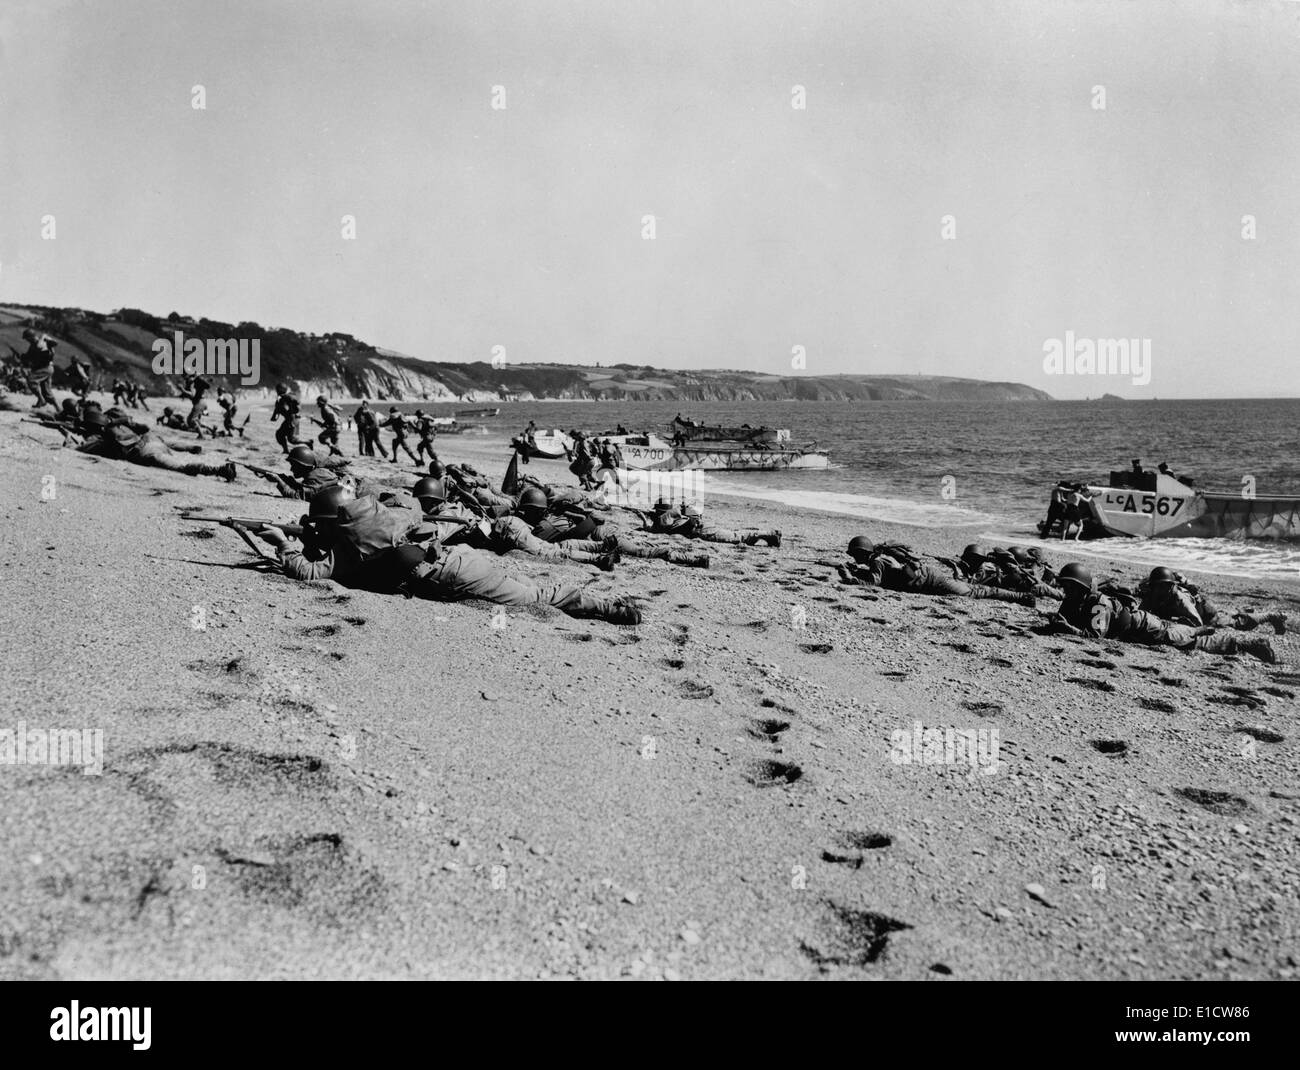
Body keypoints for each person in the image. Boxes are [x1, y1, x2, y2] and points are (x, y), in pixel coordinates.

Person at [255, 489, 641, 624]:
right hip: (456, 559)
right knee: (529, 588)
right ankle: (605, 598)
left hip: (452, 574)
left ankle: (609, 608)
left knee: (535, 597)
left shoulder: (347, 549)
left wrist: (280, 543)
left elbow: (306, 572)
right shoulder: (378, 516)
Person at [1049, 563, 1275, 662]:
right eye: (1065, 587)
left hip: (1150, 629)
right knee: (1186, 634)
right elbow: (1064, 620)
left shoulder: (1099, 604)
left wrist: (1068, 629)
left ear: (1082, 588)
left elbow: (1093, 636)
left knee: (1190, 640)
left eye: (1070, 587)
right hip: (1143, 626)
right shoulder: (1076, 600)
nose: (1066, 591)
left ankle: (1250, 645)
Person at [837, 536, 1035, 604]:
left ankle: (1022, 598)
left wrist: (849, 577)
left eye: (855, 555)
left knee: (976, 592)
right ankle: (1021, 596)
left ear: (862, 553)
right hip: (929, 576)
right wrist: (857, 571)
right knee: (975, 589)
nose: (853, 558)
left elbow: (873, 583)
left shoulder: (878, 562)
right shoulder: (879, 559)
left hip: (932, 581)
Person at [76, 407, 236, 481]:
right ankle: (190, 448)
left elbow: (83, 448)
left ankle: (219, 471)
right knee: (166, 444)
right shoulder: (121, 426)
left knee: (181, 467)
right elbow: (144, 428)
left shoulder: (102, 439)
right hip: (150, 440)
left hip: (144, 452)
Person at [1138, 567, 1286, 635]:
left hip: (1208, 616)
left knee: (1240, 622)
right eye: (1157, 586)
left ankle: (1271, 616)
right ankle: (1246, 611)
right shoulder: (1152, 594)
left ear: (1171, 586)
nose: (1160, 590)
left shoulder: (1180, 599)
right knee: (1233, 615)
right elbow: (1140, 614)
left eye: (1164, 586)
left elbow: (1197, 624)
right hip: (1199, 610)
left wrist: (1171, 622)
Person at [20, 329, 58, 409]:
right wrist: (21, 357)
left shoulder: (43, 342)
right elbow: (28, 357)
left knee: (31, 380)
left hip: (46, 368)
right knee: (46, 392)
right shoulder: (32, 346)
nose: (27, 340)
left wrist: (43, 337)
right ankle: (58, 408)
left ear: (31, 337)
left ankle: (41, 400)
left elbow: (54, 344)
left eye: (27, 338)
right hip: (45, 369)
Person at [271, 383, 303, 454]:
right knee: (282, 435)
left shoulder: (284, 398)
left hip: (291, 420)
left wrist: (275, 416)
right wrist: (274, 416)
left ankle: (308, 442)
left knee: (289, 439)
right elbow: (278, 408)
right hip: (293, 420)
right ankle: (286, 450)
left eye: (277, 389)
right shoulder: (284, 397)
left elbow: (284, 409)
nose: (276, 391)